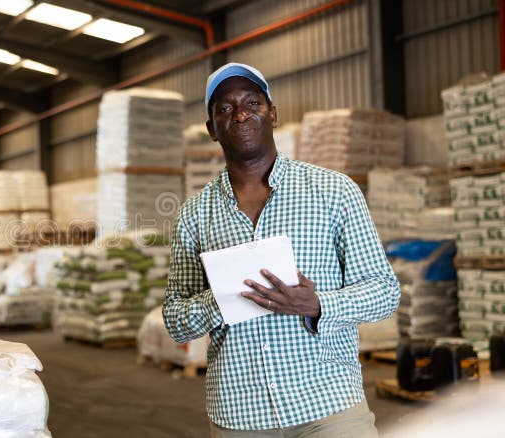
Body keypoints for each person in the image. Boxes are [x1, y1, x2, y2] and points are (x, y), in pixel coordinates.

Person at [163, 62, 400, 437]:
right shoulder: (194, 214)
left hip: (328, 405)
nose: (240, 114)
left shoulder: (334, 192)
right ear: (212, 129)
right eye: (224, 108)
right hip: (240, 414)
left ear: (272, 113)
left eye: (252, 102)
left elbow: (384, 291)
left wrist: (318, 304)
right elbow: (175, 320)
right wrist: (220, 300)